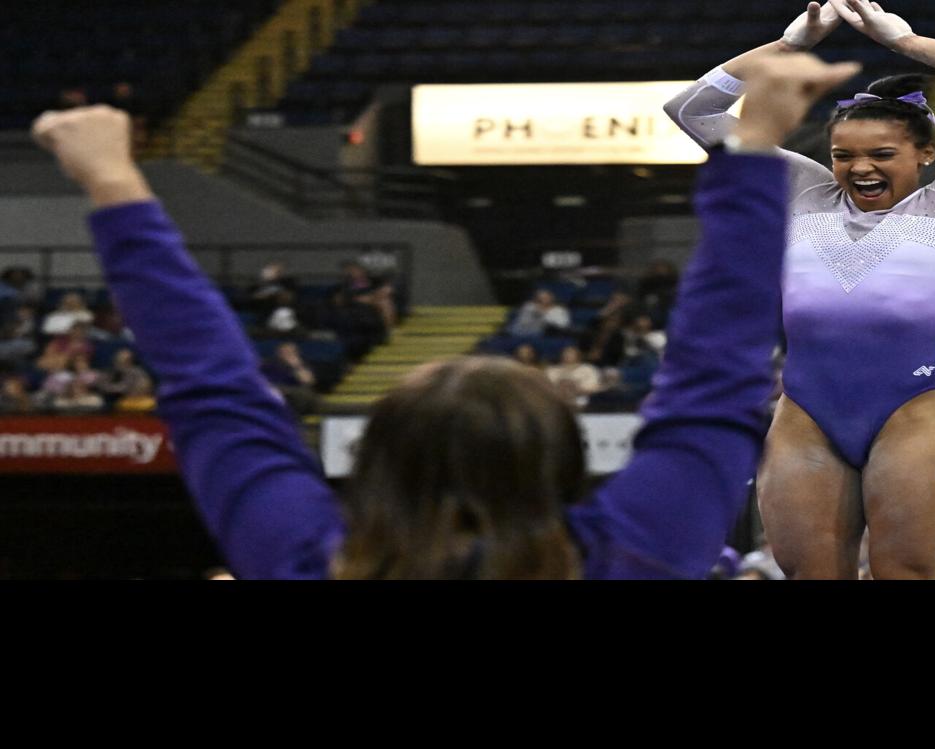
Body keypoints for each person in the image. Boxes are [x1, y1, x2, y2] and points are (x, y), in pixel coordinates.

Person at [32, 52, 858, 578]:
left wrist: (113, 182)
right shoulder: (635, 549)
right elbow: (713, 377)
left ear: (377, 462)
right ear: (564, 468)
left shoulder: (301, 560)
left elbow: (212, 386)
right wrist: (754, 152)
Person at [665, 0, 935, 579]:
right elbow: (690, 107)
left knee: (905, 572)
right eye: (843, 155)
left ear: (925, 154)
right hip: (804, 415)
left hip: (912, 411)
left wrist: (911, 43)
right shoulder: (800, 190)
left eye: (882, 154)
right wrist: (788, 48)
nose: (860, 168)